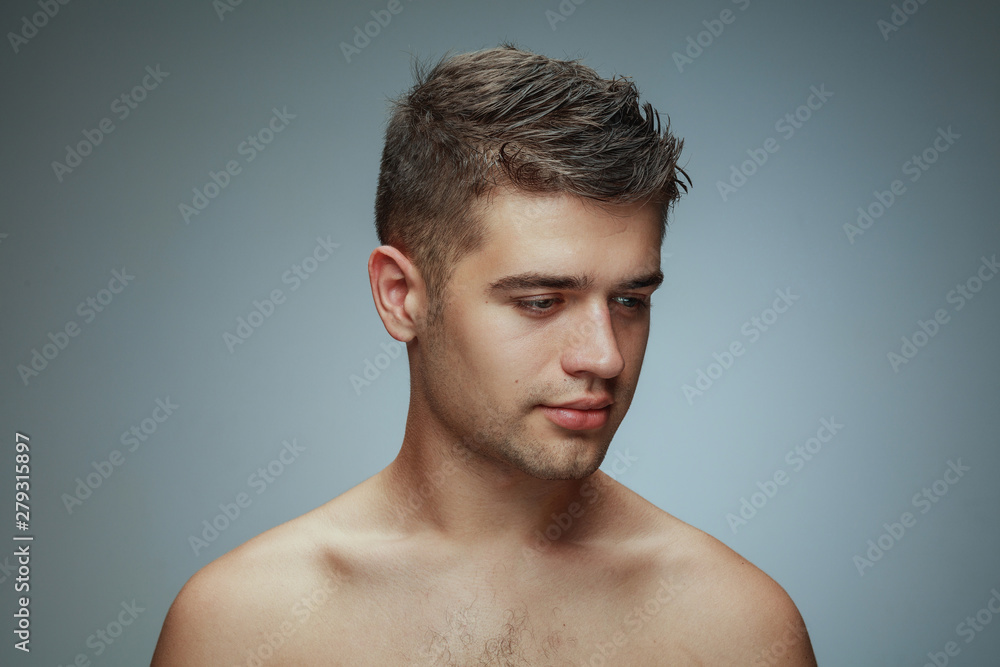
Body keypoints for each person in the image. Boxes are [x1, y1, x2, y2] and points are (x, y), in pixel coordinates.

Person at [151, 44, 817, 666]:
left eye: (629, 300)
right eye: (541, 301)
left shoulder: (735, 629)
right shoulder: (241, 626)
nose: (605, 357)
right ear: (400, 296)